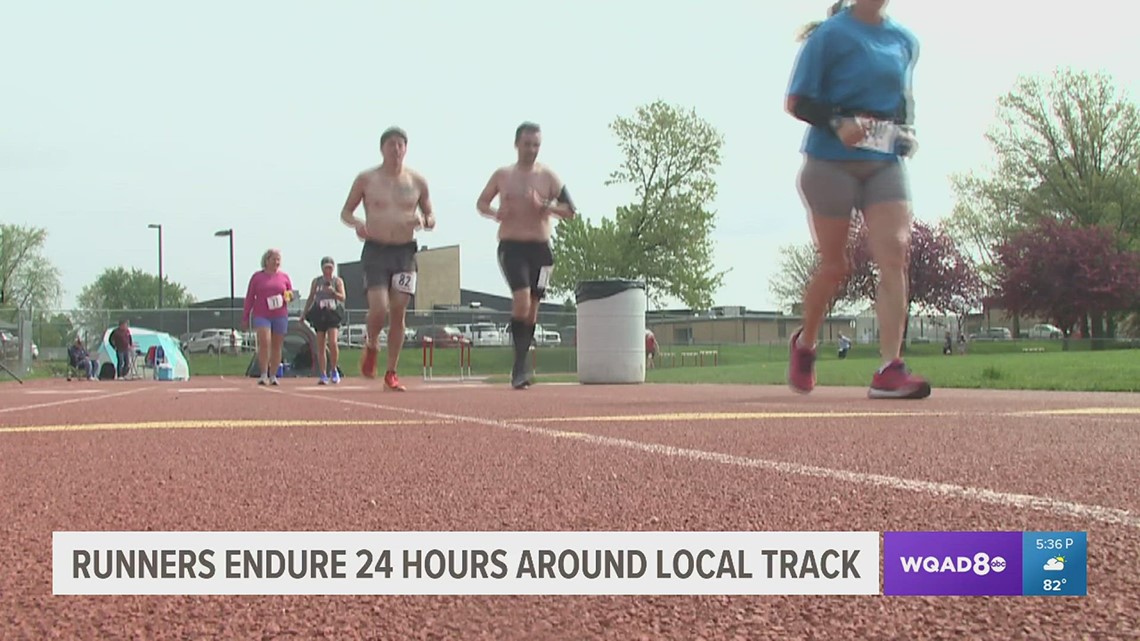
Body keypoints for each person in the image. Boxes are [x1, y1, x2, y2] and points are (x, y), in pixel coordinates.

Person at [784, 0, 930, 400]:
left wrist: (906, 132)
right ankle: (806, 344)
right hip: (830, 161)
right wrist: (838, 122)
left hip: (883, 160)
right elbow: (797, 101)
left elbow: (902, 101)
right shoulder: (829, 36)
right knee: (835, 266)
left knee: (895, 253)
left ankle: (889, 369)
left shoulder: (904, 40)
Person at [476, 122, 577, 389]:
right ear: (516, 144)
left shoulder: (549, 177)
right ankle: (518, 368)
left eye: (536, 145)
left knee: (533, 309)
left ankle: (521, 366)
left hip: (541, 251)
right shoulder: (503, 175)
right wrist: (493, 212)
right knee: (521, 300)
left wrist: (545, 205)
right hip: (512, 247)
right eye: (527, 144)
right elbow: (481, 203)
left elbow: (570, 210)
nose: (532, 150)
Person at [339, 126, 434, 391]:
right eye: (391, 144)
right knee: (379, 307)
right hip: (376, 250)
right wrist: (357, 223)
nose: (396, 149)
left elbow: (432, 217)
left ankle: (391, 371)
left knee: (399, 309)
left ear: (406, 148)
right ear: (382, 148)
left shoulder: (417, 181)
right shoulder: (367, 179)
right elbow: (345, 212)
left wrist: (424, 220)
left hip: (404, 252)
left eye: (400, 144)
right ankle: (371, 343)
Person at [242, 248, 295, 386]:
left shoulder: (284, 277)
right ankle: (263, 374)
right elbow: (249, 298)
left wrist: (288, 297)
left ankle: (273, 375)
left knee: (277, 346)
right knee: (265, 342)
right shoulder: (257, 277)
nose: (276, 262)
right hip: (262, 314)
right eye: (274, 259)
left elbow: (290, 294)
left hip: (280, 315)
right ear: (267, 260)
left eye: (278, 260)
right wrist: (246, 316)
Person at [301, 256, 346, 384]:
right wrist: (304, 313)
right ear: (322, 268)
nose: (328, 270)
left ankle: (334, 369)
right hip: (320, 313)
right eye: (326, 268)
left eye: (330, 268)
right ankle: (323, 373)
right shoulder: (317, 281)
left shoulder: (337, 281)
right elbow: (311, 297)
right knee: (320, 344)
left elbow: (343, 297)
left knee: (333, 342)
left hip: (332, 313)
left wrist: (333, 292)